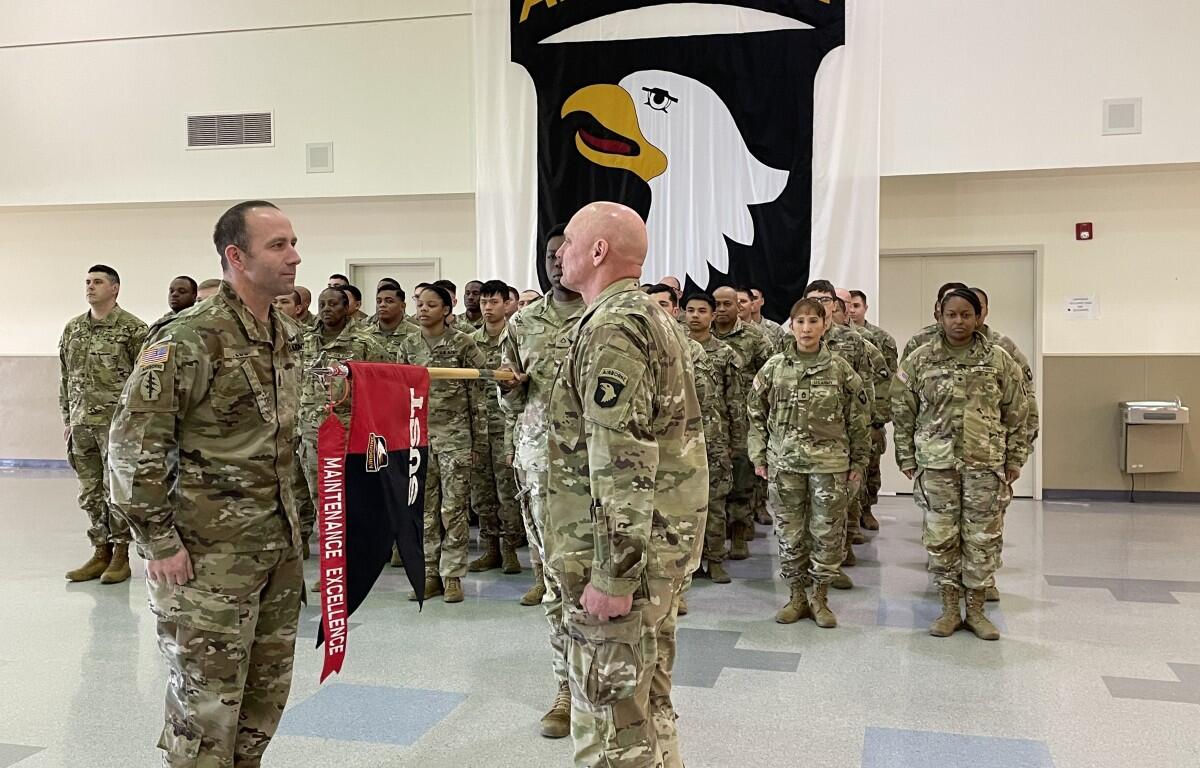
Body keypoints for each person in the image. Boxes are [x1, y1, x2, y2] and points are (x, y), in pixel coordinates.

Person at [107, 200, 306, 767]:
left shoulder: (285, 334)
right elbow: (133, 445)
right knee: (206, 706)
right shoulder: (191, 337)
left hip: (277, 547)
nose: (294, 256)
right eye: (279, 245)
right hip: (206, 558)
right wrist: (159, 542)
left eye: (293, 242)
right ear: (235, 257)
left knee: (263, 699)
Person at [547, 201, 706, 768]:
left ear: (597, 252)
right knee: (649, 701)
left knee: (612, 719)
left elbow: (623, 459)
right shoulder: (649, 316)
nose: (559, 252)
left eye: (568, 241)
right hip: (658, 544)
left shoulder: (614, 326)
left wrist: (613, 572)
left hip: (622, 560)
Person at [892, 289, 1030, 641]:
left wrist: (1015, 458)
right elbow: (902, 411)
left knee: (982, 538)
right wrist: (906, 457)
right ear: (940, 315)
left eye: (966, 314)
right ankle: (950, 608)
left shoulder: (998, 359)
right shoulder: (920, 359)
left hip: (985, 465)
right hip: (937, 465)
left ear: (979, 316)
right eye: (951, 314)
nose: (958, 321)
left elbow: (1020, 412)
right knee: (941, 538)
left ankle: (978, 611)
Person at [498, 224, 586, 739]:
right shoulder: (524, 322)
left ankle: (609, 687)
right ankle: (566, 689)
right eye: (549, 255)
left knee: (604, 585)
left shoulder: (604, 317)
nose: (556, 262)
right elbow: (508, 398)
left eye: (564, 253)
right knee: (556, 584)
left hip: (601, 475)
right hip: (540, 469)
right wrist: (511, 387)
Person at [748, 298, 870, 628]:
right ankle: (796, 596)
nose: (806, 328)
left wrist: (859, 462)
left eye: (813, 321)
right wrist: (759, 454)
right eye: (799, 321)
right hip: (785, 464)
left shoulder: (840, 369)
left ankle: (819, 597)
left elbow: (858, 417)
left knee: (827, 534)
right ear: (791, 326)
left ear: (824, 325)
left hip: (829, 466)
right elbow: (755, 412)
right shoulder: (774, 367)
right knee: (789, 534)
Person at [397, 284, 487, 604]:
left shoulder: (463, 344)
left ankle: (452, 576)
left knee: (454, 509)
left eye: (431, 305)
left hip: (456, 437)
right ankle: (429, 574)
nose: (423, 309)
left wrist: (478, 440)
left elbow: (478, 393)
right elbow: (399, 396)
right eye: (420, 304)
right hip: (419, 439)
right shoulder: (408, 345)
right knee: (424, 511)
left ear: (447, 311)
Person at [60, 264, 148, 584]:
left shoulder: (134, 329)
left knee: (118, 492)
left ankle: (121, 555)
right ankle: (100, 551)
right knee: (90, 492)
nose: (90, 287)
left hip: (117, 426)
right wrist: (68, 419)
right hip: (82, 424)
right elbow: (66, 377)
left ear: (115, 288)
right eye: (87, 282)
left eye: (97, 282)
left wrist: (137, 424)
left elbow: (145, 381)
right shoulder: (73, 329)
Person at [803, 280, 890, 586]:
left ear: (835, 307)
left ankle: (836, 557)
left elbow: (866, 389)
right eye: (811, 299)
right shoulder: (791, 341)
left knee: (838, 503)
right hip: (801, 439)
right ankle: (806, 569)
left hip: (839, 438)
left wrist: (870, 428)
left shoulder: (853, 343)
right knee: (803, 510)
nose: (819, 305)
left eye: (824, 300)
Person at [297, 286, 388, 574]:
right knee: (321, 500)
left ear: (347, 307)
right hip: (313, 435)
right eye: (323, 303)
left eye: (334, 303)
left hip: (351, 435)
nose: (326, 309)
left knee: (351, 501)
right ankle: (332, 567)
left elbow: (382, 383)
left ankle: (357, 561)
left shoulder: (364, 342)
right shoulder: (303, 341)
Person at [970, 286, 1039, 602]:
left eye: (977, 308)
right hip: (945, 458)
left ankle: (984, 581)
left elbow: (1024, 402)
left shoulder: (1003, 349)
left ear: (984, 311)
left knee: (988, 526)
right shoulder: (930, 351)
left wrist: (1020, 451)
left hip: (990, 456)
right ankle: (952, 586)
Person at [683, 292, 745, 585]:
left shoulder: (725, 354)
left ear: (711, 316)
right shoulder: (674, 349)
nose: (695, 315)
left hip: (715, 437)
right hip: (682, 439)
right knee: (685, 503)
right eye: (691, 310)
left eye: (702, 311)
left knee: (716, 501)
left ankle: (716, 559)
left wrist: (737, 439)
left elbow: (735, 400)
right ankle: (690, 562)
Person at [712, 285, 774, 559]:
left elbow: (770, 374)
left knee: (741, 478)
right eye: (718, 304)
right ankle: (715, 534)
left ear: (739, 307)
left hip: (742, 419)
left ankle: (739, 531)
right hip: (709, 419)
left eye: (728, 304)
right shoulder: (700, 335)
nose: (722, 309)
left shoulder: (754, 337)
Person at [467, 280, 524, 575]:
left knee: (508, 492)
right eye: (484, 302)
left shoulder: (515, 338)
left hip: (505, 428)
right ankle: (489, 548)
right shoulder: (469, 340)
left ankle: (510, 549)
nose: (487, 308)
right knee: (482, 493)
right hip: (478, 427)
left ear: (507, 304)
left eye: (494, 302)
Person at [846, 289, 898, 534]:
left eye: (855, 305)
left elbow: (887, 381)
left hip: (871, 416)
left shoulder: (879, 338)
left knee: (871, 468)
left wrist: (878, 420)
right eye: (847, 305)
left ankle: (867, 509)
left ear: (864, 307)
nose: (851, 310)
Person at [901, 281, 969, 362]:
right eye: (949, 301)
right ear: (939, 306)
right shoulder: (920, 339)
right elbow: (904, 372)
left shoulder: (981, 340)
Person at [369, 283, 418, 357]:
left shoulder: (416, 335)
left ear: (402, 306)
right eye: (379, 301)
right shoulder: (365, 335)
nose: (382, 305)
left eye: (389, 301)